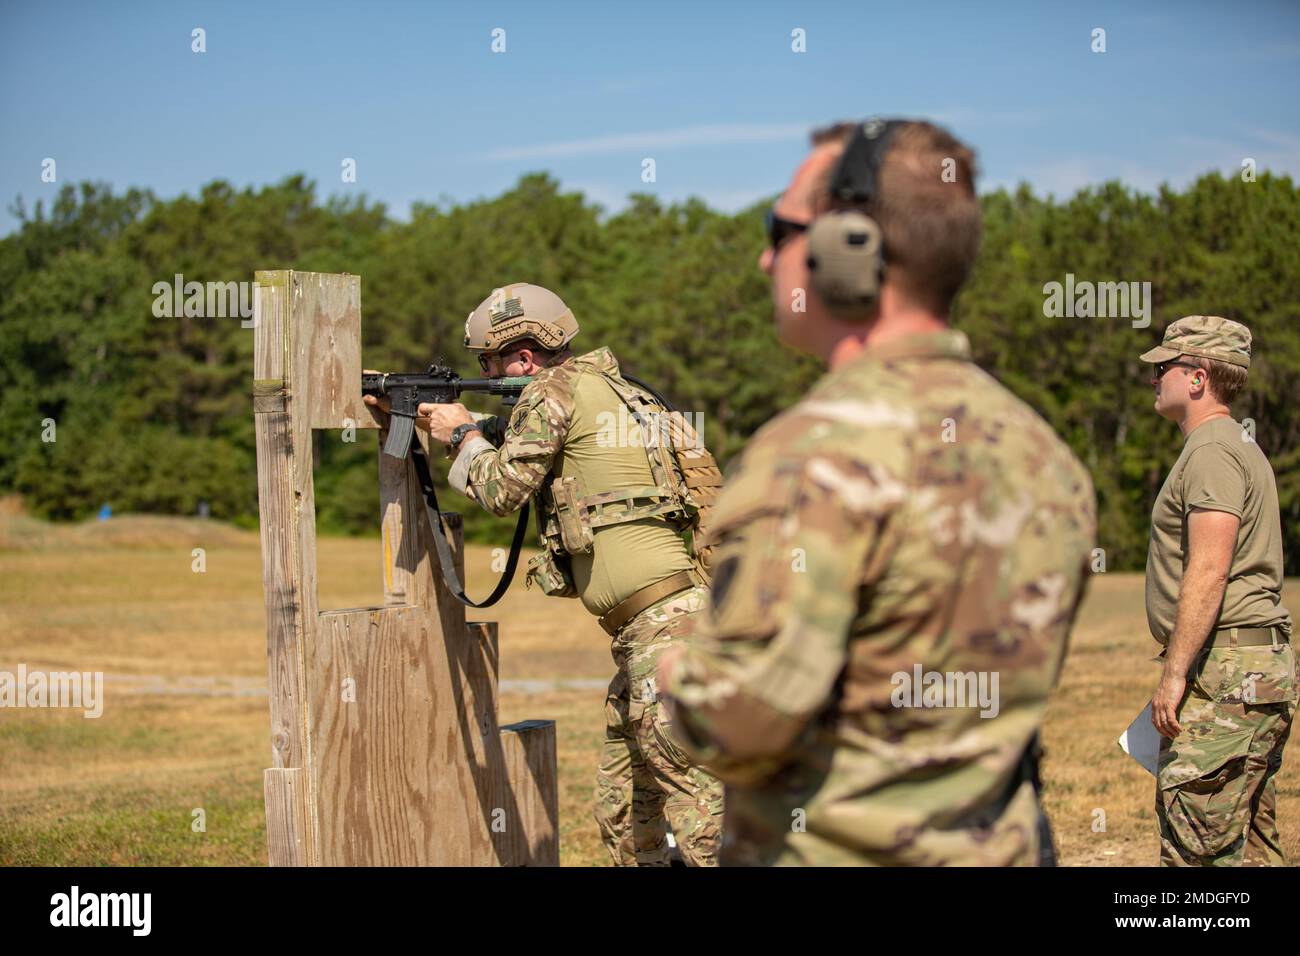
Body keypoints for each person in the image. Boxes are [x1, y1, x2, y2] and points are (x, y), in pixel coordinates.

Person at [657, 118, 1097, 866]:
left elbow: (741, 723)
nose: (767, 259)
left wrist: (676, 675)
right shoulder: (1046, 457)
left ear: (847, 251)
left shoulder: (815, 457)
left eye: (781, 228)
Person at [366, 282, 724, 866]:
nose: (486, 372)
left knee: (700, 812)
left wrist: (460, 435)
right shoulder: (616, 391)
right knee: (626, 811)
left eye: (489, 361)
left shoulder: (552, 392)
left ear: (524, 357)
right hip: (659, 632)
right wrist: (427, 407)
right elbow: (528, 441)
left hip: (666, 637)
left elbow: (503, 489)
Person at [1141, 315, 1294, 866]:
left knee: (1195, 851)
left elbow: (1209, 568)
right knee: (1250, 847)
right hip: (1250, 668)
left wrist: (1175, 672)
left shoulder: (1211, 451)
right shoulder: (1237, 446)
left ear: (1199, 377)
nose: (1153, 378)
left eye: (1164, 367)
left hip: (1226, 670)